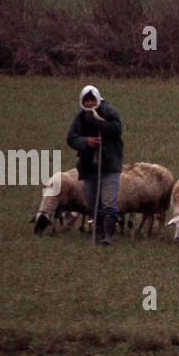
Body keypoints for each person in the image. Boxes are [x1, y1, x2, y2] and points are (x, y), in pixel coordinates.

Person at [67, 85, 124, 245]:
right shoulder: (80, 118)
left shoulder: (108, 111)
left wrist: (99, 123)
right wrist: (86, 142)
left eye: (93, 100)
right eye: (87, 101)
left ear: (98, 99)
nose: (91, 103)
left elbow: (117, 129)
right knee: (93, 202)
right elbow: (71, 138)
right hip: (89, 167)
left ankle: (108, 236)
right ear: (82, 102)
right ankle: (98, 233)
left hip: (110, 164)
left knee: (108, 202)